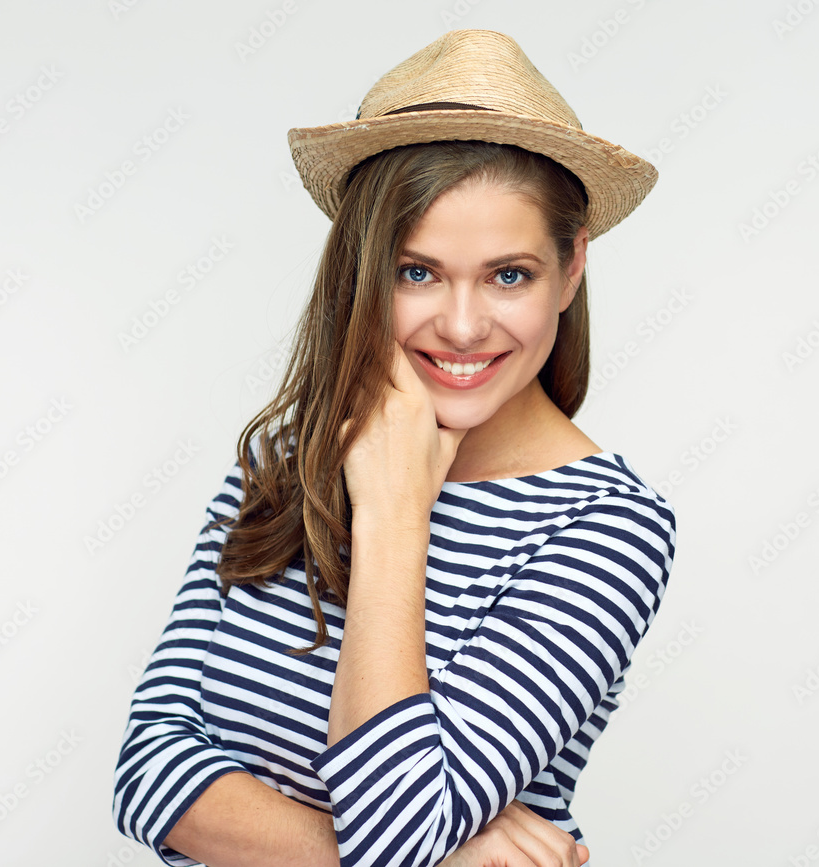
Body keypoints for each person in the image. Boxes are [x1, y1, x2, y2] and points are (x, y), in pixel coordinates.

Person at [113, 28, 676, 867]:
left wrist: (393, 516)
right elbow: (149, 773)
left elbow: (397, 833)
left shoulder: (605, 529)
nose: (460, 324)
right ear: (362, 274)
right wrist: (434, 858)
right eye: (417, 272)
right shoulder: (283, 463)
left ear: (571, 268)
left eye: (508, 274)